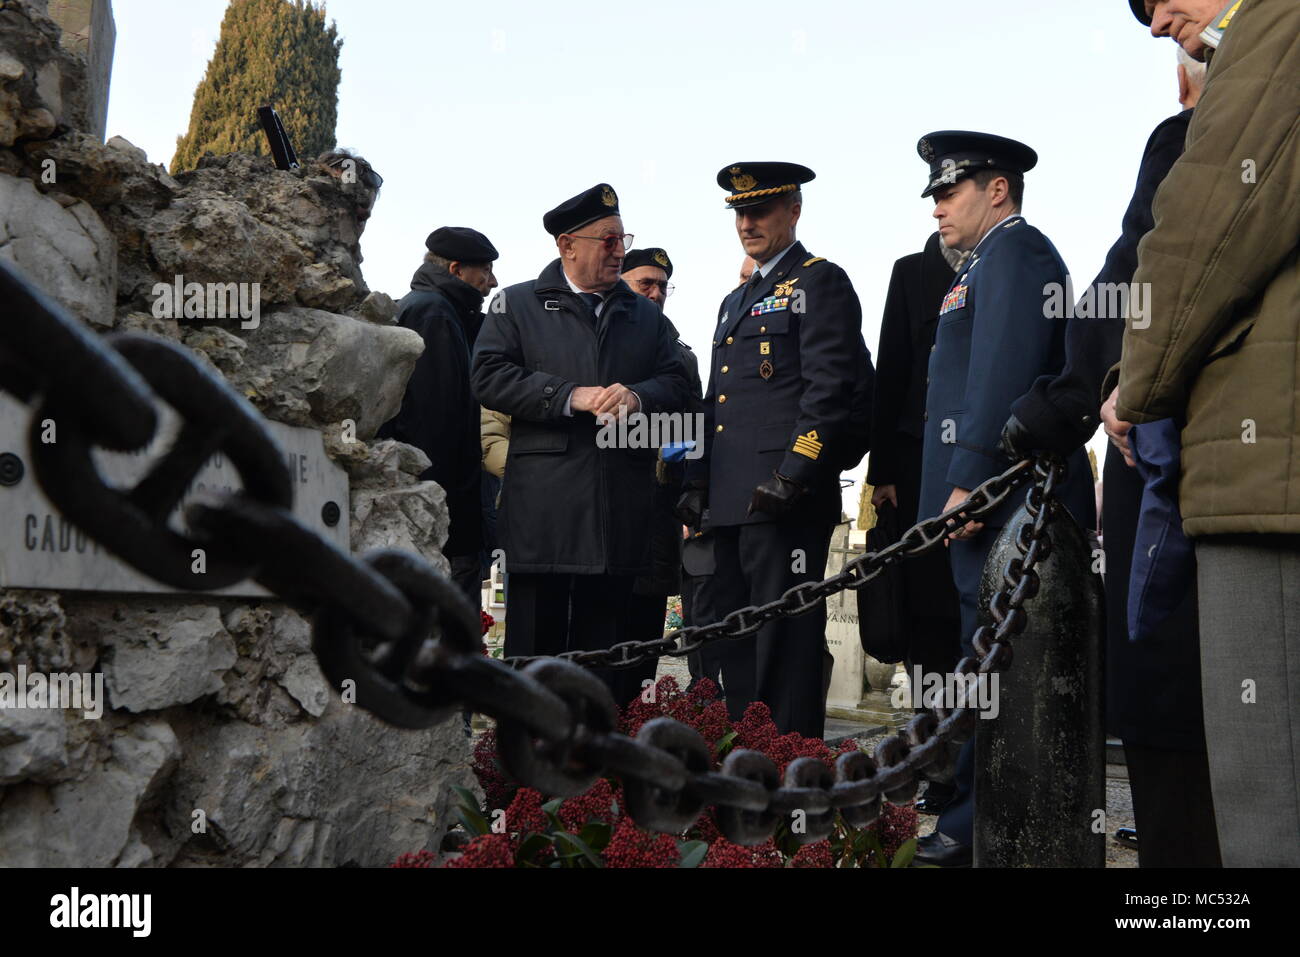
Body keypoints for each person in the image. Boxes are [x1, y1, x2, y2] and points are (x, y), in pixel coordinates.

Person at [1002, 32, 1220, 867]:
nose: (1164, 23)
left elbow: (1148, 273)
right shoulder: (1207, 134)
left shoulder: (1198, 136)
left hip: (1190, 457)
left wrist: (1077, 401)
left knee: (1178, 698)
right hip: (1191, 445)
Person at [1106, 0, 1300, 867]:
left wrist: (1135, 385)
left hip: (1268, 479)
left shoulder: (1278, 26)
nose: (1155, 23)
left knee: (1267, 807)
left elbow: (1200, 230)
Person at [912, 132, 1096, 866]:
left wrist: (972, 473)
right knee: (980, 655)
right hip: (990, 497)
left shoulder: (1018, 251)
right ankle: (977, 812)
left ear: (997, 189)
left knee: (998, 660)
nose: (937, 208)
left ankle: (977, 818)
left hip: (1007, 495)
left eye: (950, 192)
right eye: (933, 195)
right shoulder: (984, 263)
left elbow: (1001, 367)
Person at [471, 184, 689, 708]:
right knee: (535, 659)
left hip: (618, 516)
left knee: (604, 666)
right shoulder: (517, 304)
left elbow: (682, 386)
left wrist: (639, 397)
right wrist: (570, 396)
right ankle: (524, 780)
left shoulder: (646, 316)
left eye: (622, 239)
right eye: (608, 240)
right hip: (545, 516)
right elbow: (488, 376)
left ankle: (595, 778)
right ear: (567, 245)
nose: (619, 250)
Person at [678, 162, 871, 739]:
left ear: (793, 211)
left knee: (785, 646)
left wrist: (796, 472)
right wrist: (696, 480)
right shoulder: (734, 300)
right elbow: (717, 403)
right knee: (735, 641)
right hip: (732, 501)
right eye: (740, 212)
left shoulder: (819, 282)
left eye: (760, 210)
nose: (747, 222)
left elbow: (830, 391)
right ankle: (745, 769)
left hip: (784, 499)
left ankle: (790, 778)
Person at [866, 231, 964, 815]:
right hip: (913, 467)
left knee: (973, 624)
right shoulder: (910, 271)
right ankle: (938, 765)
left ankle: (978, 759)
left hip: (980, 468)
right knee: (926, 627)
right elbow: (891, 366)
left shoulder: (999, 266)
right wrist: (882, 471)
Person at [377, 226, 499, 606]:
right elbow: (437, 425)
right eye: (485, 272)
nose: (493, 283)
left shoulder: (443, 311)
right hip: (443, 515)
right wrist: (451, 517)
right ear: (457, 270)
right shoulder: (434, 313)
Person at [617, 249, 707, 681]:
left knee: (642, 645)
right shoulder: (602, 338)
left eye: (662, 285)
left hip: (657, 510)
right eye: (644, 283)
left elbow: (696, 431)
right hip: (604, 506)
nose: (655, 293)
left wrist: (672, 456)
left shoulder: (681, 356)